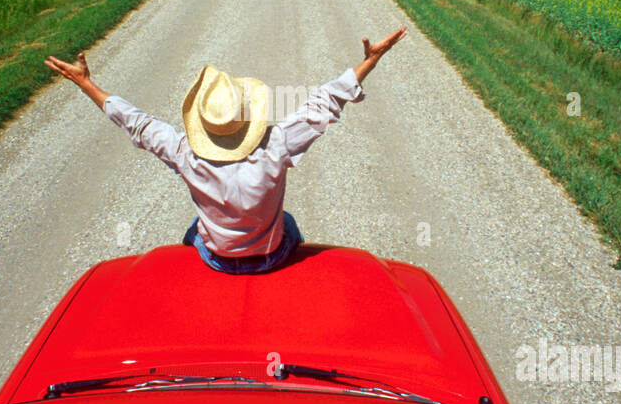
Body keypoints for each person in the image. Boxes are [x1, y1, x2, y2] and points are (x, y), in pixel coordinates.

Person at [45, 26, 406, 274]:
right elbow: (323, 104)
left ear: (202, 123)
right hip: (270, 258)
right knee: (289, 223)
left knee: (193, 231)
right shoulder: (275, 146)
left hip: (214, 259)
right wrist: (369, 61)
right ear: (248, 118)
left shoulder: (186, 154)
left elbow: (137, 124)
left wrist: (86, 83)